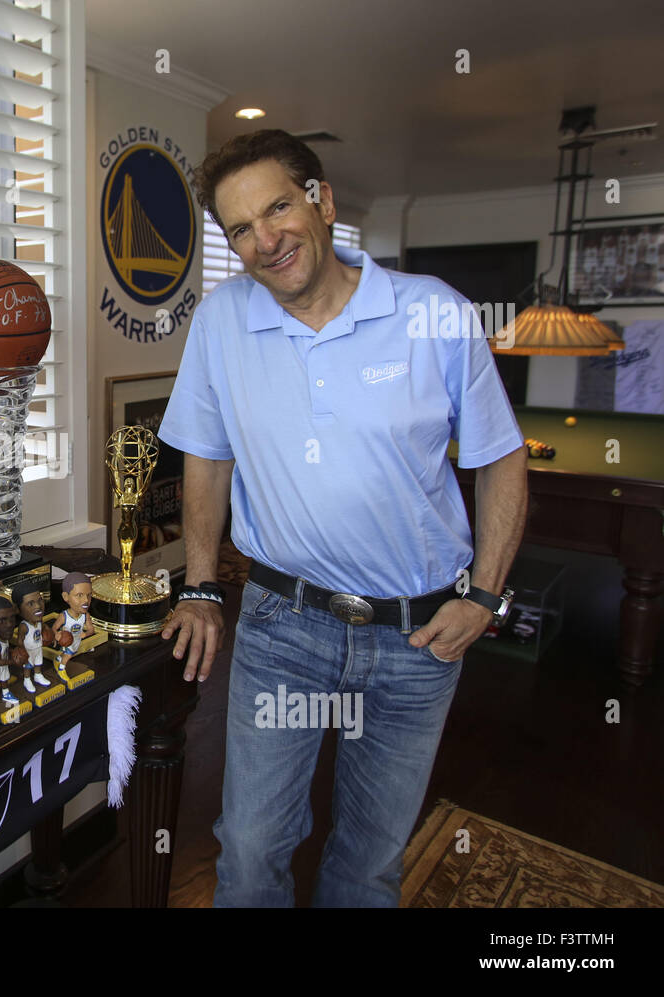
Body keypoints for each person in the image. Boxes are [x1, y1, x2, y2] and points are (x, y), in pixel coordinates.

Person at [158, 129, 528, 907]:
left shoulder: (434, 313)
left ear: (322, 201)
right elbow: (206, 455)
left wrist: (486, 595)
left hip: (417, 638)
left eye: (280, 208)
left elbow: (499, 456)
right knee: (252, 846)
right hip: (282, 624)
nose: (266, 240)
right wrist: (198, 584)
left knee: (369, 860)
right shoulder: (223, 321)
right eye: (241, 229)